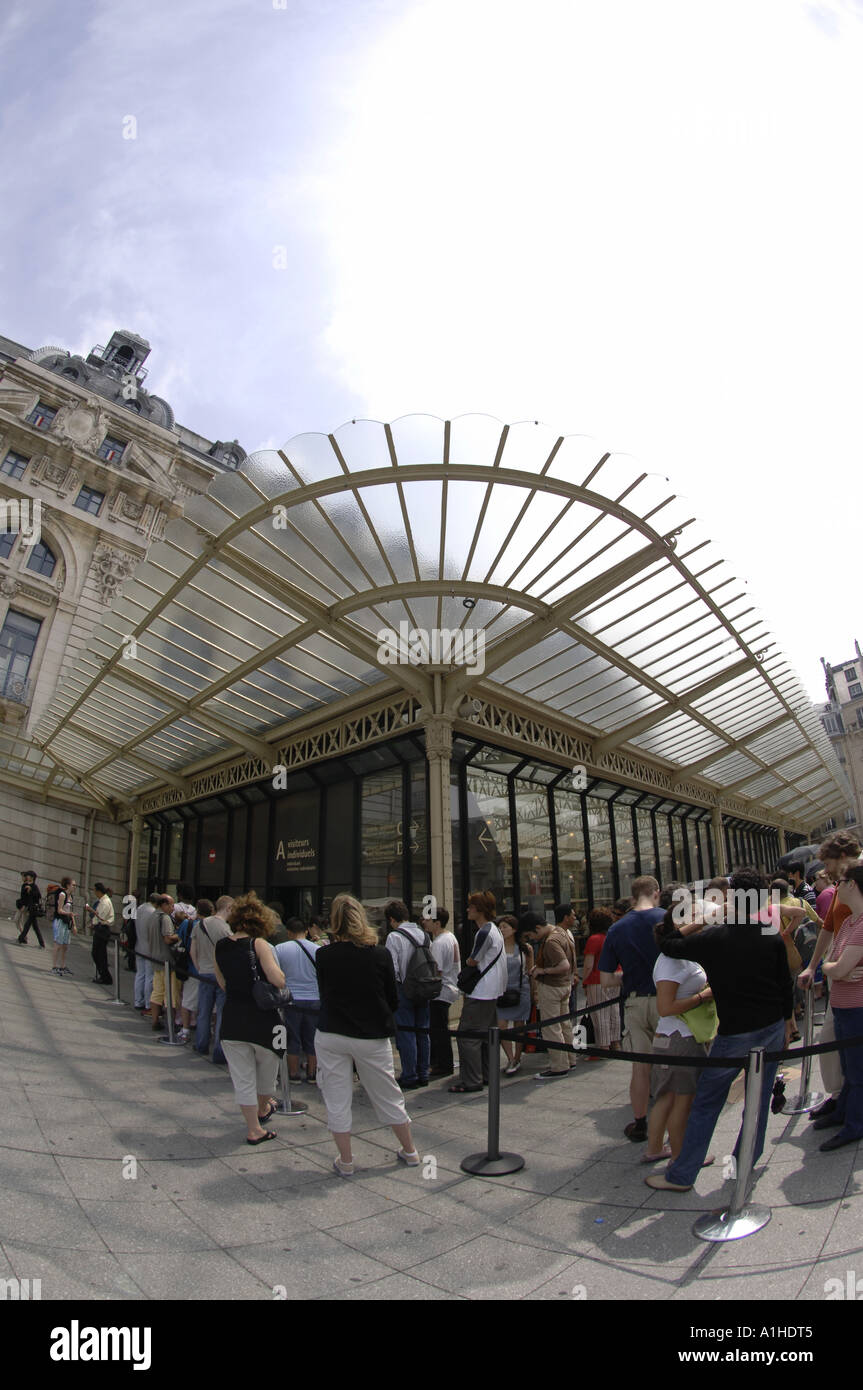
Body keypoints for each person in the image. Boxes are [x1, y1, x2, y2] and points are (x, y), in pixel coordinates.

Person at [645, 867, 793, 1193]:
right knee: (757, 1099)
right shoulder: (769, 933)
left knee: (707, 1103)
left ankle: (682, 1175)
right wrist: (786, 1023)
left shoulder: (714, 938)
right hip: (769, 1027)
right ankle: (745, 1162)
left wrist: (704, 921)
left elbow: (668, 944)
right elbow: (785, 984)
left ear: (729, 896)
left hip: (734, 1034)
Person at [315, 893, 419, 1175]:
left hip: (332, 1031)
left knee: (336, 1098)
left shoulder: (323, 955)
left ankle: (346, 1161)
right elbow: (391, 997)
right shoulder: (380, 954)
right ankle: (410, 1151)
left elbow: (324, 993)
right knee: (387, 1093)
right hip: (372, 1033)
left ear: (334, 921)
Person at [798, 833, 863, 1120]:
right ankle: (842, 1097)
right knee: (835, 1041)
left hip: (852, 976)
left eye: (828, 862)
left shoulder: (853, 879)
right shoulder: (842, 884)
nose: (826, 870)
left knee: (834, 1040)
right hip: (843, 973)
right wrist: (814, 966)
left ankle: (843, 1099)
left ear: (841, 856)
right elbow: (828, 927)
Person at [644, 900, 715, 1164]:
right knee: (682, 1100)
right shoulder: (672, 960)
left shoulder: (681, 954)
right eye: (694, 915)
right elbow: (665, 1007)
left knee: (668, 1097)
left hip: (677, 1035)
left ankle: (655, 1148)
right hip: (679, 1036)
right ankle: (681, 1157)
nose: (701, 919)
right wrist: (703, 996)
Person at [213, 893, 286, 1145]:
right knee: (268, 1073)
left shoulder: (220, 946)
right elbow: (278, 980)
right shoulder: (259, 945)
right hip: (264, 1020)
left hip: (232, 1019)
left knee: (242, 1078)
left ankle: (254, 1128)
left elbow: (222, 983)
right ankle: (264, 1108)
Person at [598, 875, 664, 1140]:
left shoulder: (616, 929)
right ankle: (669, 1122)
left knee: (640, 1067)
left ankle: (640, 1122)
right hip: (666, 1001)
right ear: (656, 892)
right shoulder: (667, 919)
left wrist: (625, 976)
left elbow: (605, 980)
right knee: (669, 1065)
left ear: (634, 895)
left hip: (634, 1003)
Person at [812, 864, 863, 1152]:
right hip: (843, 1006)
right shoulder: (849, 922)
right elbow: (830, 963)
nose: (835, 887)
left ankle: (854, 1124)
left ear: (853, 884)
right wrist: (837, 971)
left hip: (856, 1007)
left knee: (856, 1071)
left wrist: (836, 970)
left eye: (840, 882)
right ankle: (845, 1113)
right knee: (848, 1065)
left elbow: (837, 964)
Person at [450, 891, 508, 1094]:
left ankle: (472, 1079)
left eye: (471, 906)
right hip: (492, 989)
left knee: (468, 1035)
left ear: (479, 909)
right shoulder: (495, 930)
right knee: (486, 1035)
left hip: (482, 990)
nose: (467, 909)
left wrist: (469, 962)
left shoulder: (484, 932)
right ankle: (486, 1073)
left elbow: (473, 960)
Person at [384, 898, 431, 1090]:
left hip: (404, 989)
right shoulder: (424, 934)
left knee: (406, 1033)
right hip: (424, 988)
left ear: (392, 919)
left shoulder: (394, 937)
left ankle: (410, 1074)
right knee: (423, 1031)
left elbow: (391, 968)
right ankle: (423, 1072)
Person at [274, 916, 321, 1083]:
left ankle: (293, 1074)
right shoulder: (317, 949)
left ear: (288, 932)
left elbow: (275, 974)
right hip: (315, 999)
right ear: (306, 931)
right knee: (313, 1039)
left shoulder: (280, 949)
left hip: (291, 999)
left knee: (292, 1038)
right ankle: (312, 1074)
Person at [530, 914, 578, 1078]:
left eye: (531, 935)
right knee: (565, 1024)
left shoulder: (551, 941)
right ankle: (570, 1060)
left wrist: (542, 971)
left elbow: (564, 965)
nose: (532, 939)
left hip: (552, 986)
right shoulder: (561, 932)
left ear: (537, 928)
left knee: (551, 1027)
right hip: (565, 985)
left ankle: (559, 1066)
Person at [191, 896, 233, 1063]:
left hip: (204, 972)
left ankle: (201, 1044)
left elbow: (192, 950)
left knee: (204, 1010)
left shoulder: (200, 924)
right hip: (221, 975)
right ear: (228, 908)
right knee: (222, 1013)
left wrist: (199, 967)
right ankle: (219, 1051)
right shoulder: (227, 931)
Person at [581, 906, 621, 1053]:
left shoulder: (594, 939)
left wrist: (584, 981)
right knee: (614, 1011)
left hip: (597, 979)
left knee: (600, 1014)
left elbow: (588, 965)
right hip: (615, 976)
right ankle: (615, 1042)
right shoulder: (613, 936)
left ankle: (603, 1046)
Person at [497, 914, 533, 1075]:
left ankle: (517, 1058)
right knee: (501, 1026)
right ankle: (510, 1057)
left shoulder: (525, 948)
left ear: (514, 929)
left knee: (520, 1026)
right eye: (500, 927)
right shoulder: (496, 947)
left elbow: (530, 972)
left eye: (505, 926)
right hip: (501, 990)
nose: (501, 929)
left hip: (521, 989)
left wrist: (534, 993)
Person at [428, 906, 459, 1078]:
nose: (424, 922)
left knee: (438, 1029)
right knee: (441, 1028)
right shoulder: (450, 937)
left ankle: (443, 1064)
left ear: (437, 923)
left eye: (428, 920)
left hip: (441, 990)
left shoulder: (439, 942)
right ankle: (443, 1062)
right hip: (450, 987)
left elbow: (437, 970)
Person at [133, 893, 160, 1013]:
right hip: (149, 948)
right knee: (149, 977)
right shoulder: (153, 913)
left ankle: (138, 1000)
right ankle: (148, 1003)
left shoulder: (140, 908)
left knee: (140, 974)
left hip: (139, 945)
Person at [86, 883, 115, 984]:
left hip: (103, 929)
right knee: (97, 953)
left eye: (95, 891)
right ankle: (103, 975)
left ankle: (105, 976)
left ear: (98, 891)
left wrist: (91, 910)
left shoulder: (105, 902)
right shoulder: (102, 901)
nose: (94, 893)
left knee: (99, 954)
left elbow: (100, 917)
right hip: (100, 928)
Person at [51, 877, 77, 976]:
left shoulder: (71, 897)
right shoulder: (62, 895)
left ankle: (62, 966)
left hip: (67, 922)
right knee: (58, 944)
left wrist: (74, 925)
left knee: (65, 945)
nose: (75, 887)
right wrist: (69, 913)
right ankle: (54, 966)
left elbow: (71, 912)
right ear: (67, 885)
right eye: (73, 885)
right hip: (60, 921)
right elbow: (59, 910)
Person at [16, 870, 45, 949]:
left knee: (27, 925)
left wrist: (31, 890)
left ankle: (21, 939)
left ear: (32, 877)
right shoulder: (25, 885)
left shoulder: (34, 886)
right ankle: (42, 943)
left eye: (28, 875)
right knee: (34, 927)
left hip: (34, 908)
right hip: (30, 908)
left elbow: (38, 896)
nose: (27, 876)